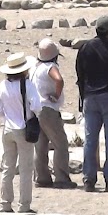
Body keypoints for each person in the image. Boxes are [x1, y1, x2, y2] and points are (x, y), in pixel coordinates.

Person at [75, 16, 108, 192]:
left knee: (90, 140)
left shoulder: (84, 48)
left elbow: (80, 75)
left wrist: (82, 97)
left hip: (90, 97)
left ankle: (89, 179)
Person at [0, 52, 44, 214]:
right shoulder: (28, 85)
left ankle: (5, 204)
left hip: (8, 130)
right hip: (23, 129)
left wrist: (7, 117)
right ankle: (24, 206)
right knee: (26, 169)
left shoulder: (2, 86)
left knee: (7, 168)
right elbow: (37, 107)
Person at [33, 38, 73, 188]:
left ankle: (42, 177)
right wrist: (56, 95)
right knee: (60, 143)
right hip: (49, 109)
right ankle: (62, 178)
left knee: (41, 146)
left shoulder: (37, 67)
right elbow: (59, 80)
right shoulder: (50, 66)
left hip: (37, 109)